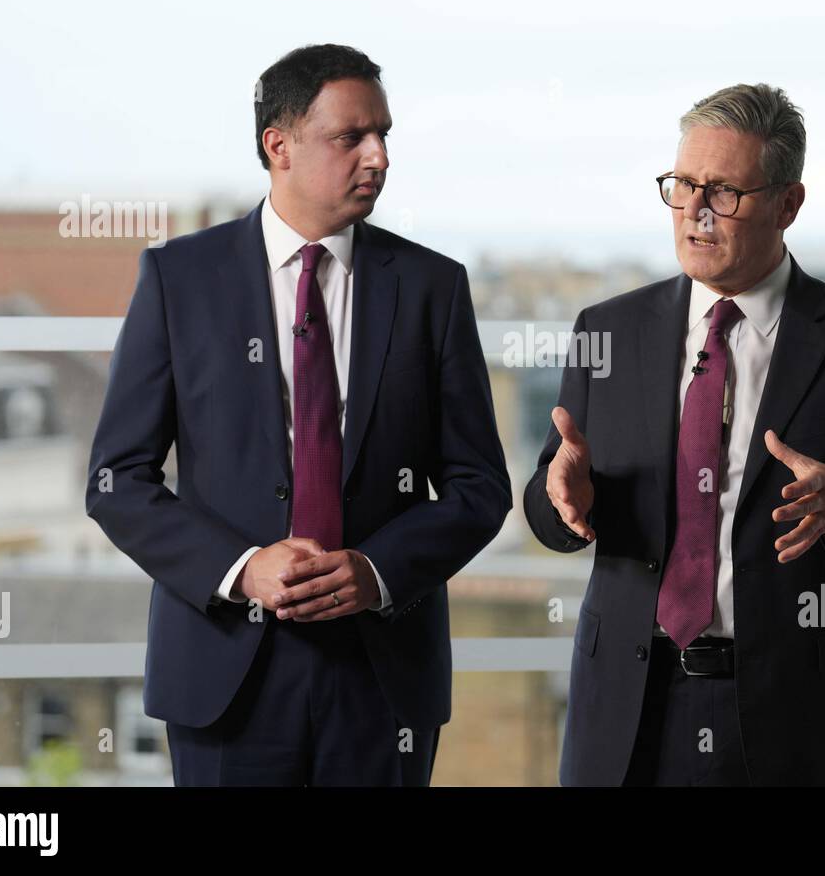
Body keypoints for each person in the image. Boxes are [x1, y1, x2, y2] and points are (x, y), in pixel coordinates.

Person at [87, 43, 511, 785]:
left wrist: (377, 571)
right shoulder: (179, 280)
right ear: (276, 146)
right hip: (225, 675)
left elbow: (480, 487)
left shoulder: (433, 287)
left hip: (382, 680)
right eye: (351, 137)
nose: (378, 157)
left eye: (383, 134)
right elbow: (117, 480)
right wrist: (243, 569)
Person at [525, 82, 825, 785]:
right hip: (629, 713)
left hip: (801, 725)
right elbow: (550, 511)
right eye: (683, 185)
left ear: (789, 204)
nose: (695, 211)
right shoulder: (607, 331)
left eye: (724, 192)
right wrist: (561, 499)